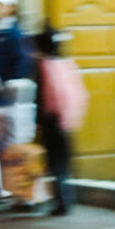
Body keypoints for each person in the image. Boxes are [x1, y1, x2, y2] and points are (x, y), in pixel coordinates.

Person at [34, 25, 88, 216]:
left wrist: (38, 121)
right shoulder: (67, 64)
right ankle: (67, 199)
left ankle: (61, 202)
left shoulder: (44, 66)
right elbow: (80, 93)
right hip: (67, 119)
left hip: (52, 120)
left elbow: (44, 98)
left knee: (55, 162)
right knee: (63, 162)